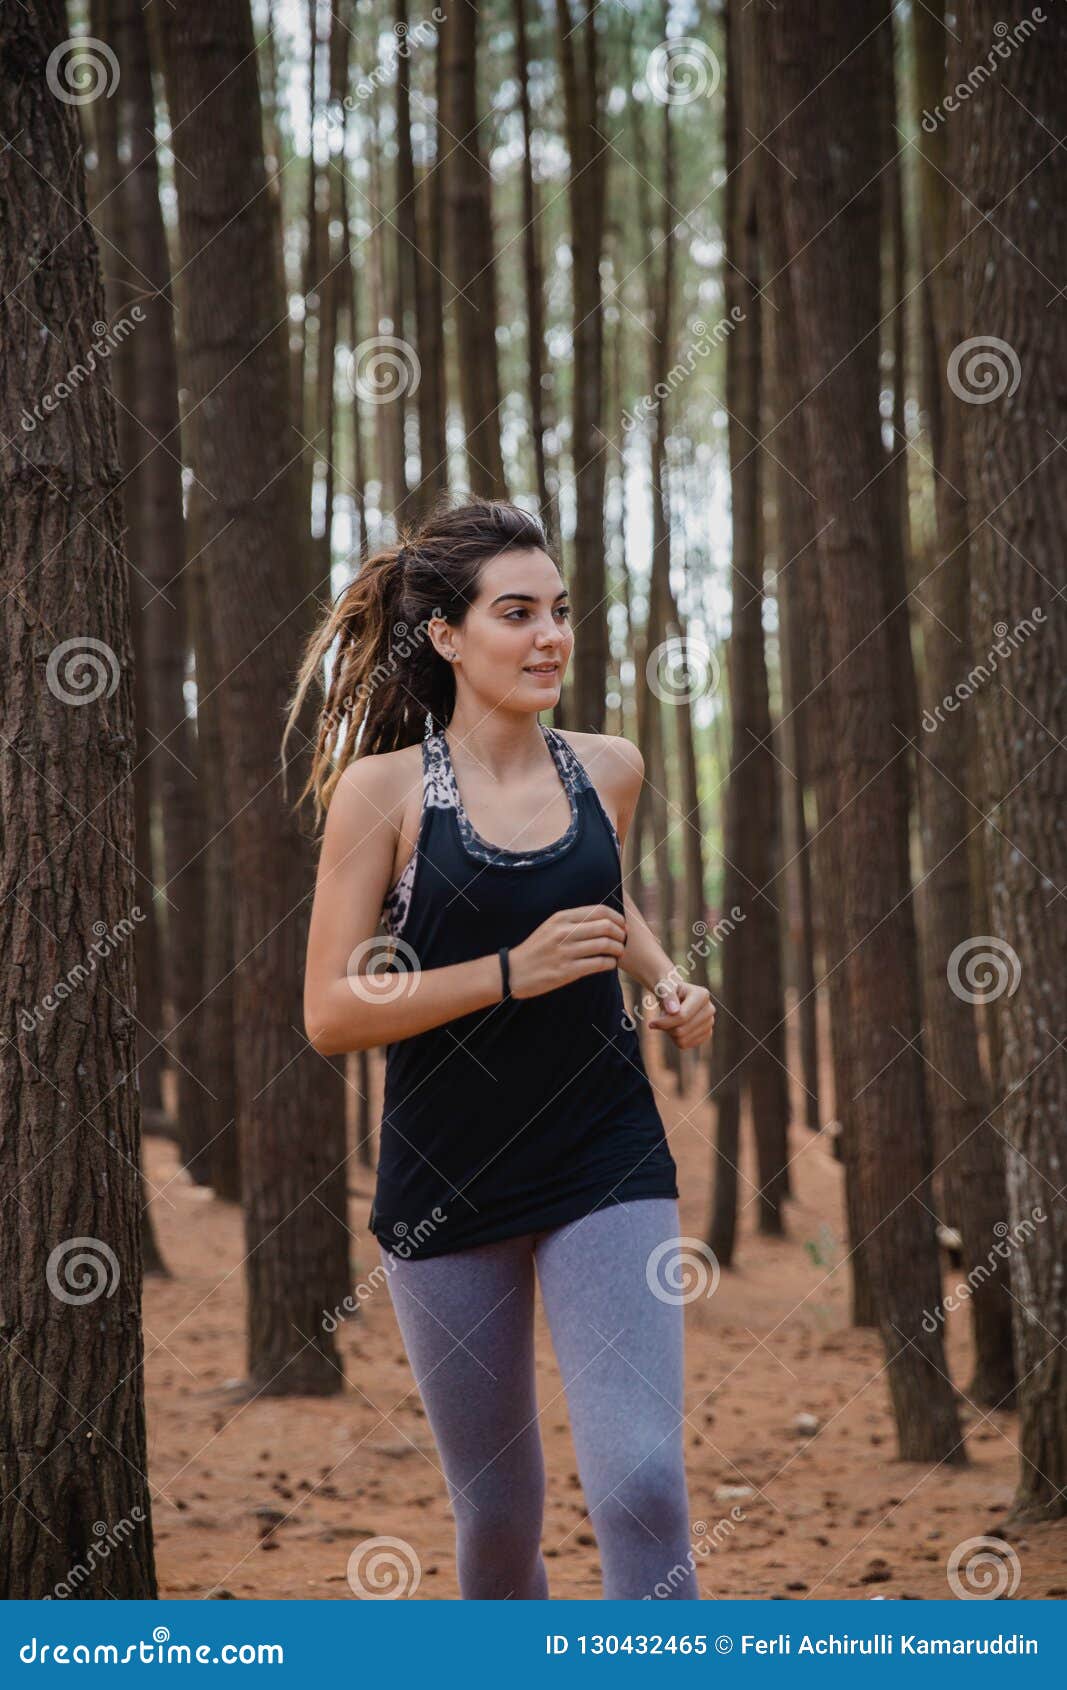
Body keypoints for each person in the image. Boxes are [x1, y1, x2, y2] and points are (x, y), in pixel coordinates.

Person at [289, 499, 715, 1599]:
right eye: (516, 612)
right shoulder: (381, 796)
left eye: (559, 612)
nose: (549, 638)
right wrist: (508, 972)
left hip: (603, 1150)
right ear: (444, 635)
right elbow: (329, 1014)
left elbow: (603, 899)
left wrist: (663, 979)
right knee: (495, 1519)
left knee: (640, 1483)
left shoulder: (605, 768)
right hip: (445, 1175)